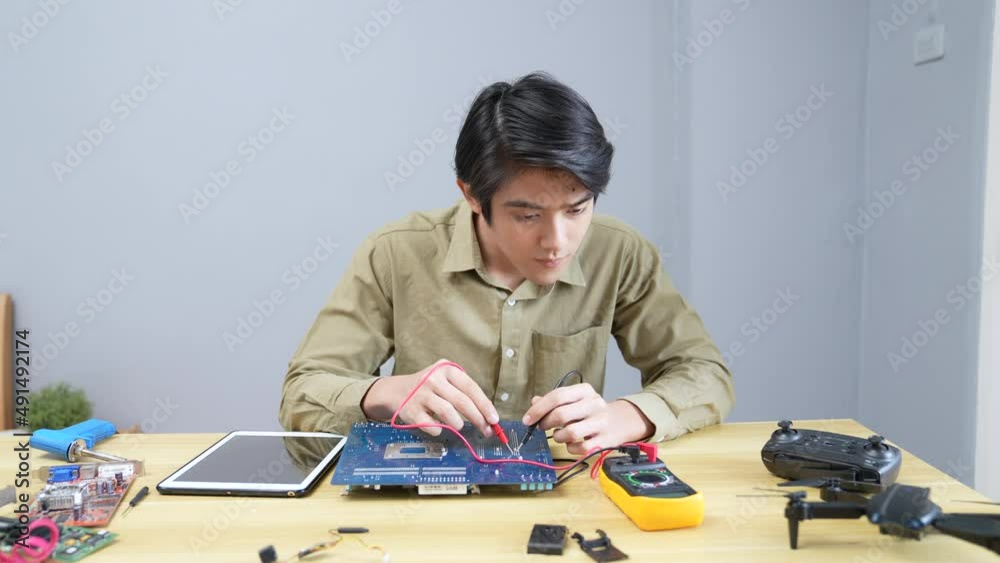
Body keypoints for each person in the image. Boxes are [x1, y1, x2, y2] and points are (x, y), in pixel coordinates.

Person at [279, 72, 734, 454]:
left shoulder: (620, 252)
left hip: (567, 496)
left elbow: (704, 372)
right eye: (527, 215)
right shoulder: (395, 253)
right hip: (424, 502)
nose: (558, 242)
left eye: (577, 209)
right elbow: (302, 393)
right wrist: (378, 394)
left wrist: (629, 415)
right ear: (472, 196)